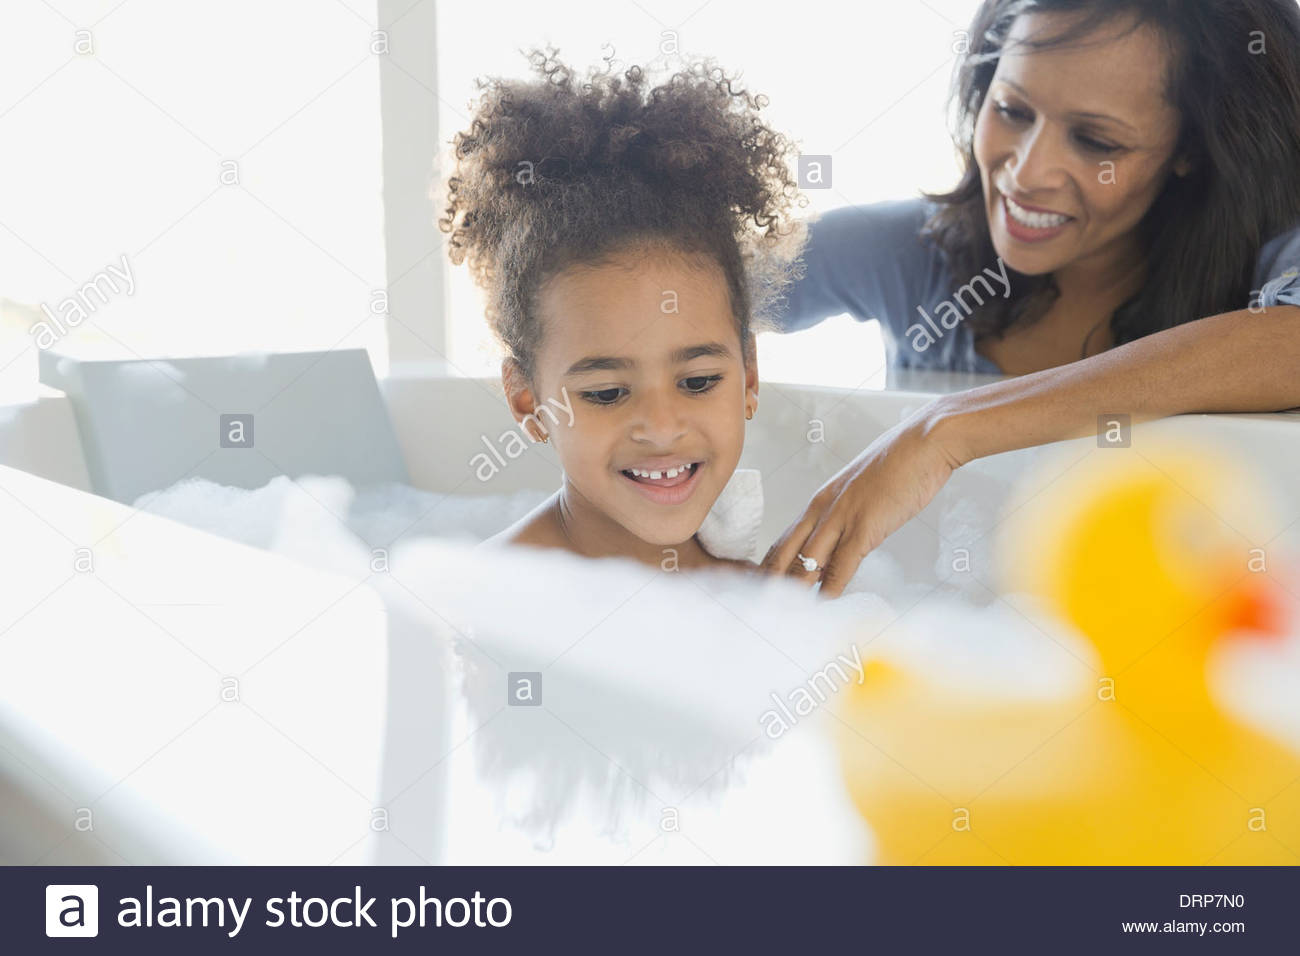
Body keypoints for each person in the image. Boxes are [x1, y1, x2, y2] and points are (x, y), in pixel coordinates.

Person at [763, 0, 1300, 597]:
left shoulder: (1266, 260)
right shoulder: (911, 250)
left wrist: (944, 432)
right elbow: (673, 285)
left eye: (1096, 141)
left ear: (1189, 151)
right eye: (1013, 110)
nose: (1027, 172)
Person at [439, 51, 803, 571]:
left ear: (749, 374)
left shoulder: (759, 591)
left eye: (698, 382)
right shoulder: (491, 592)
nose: (660, 427)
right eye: (606, 393)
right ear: (527, 402)